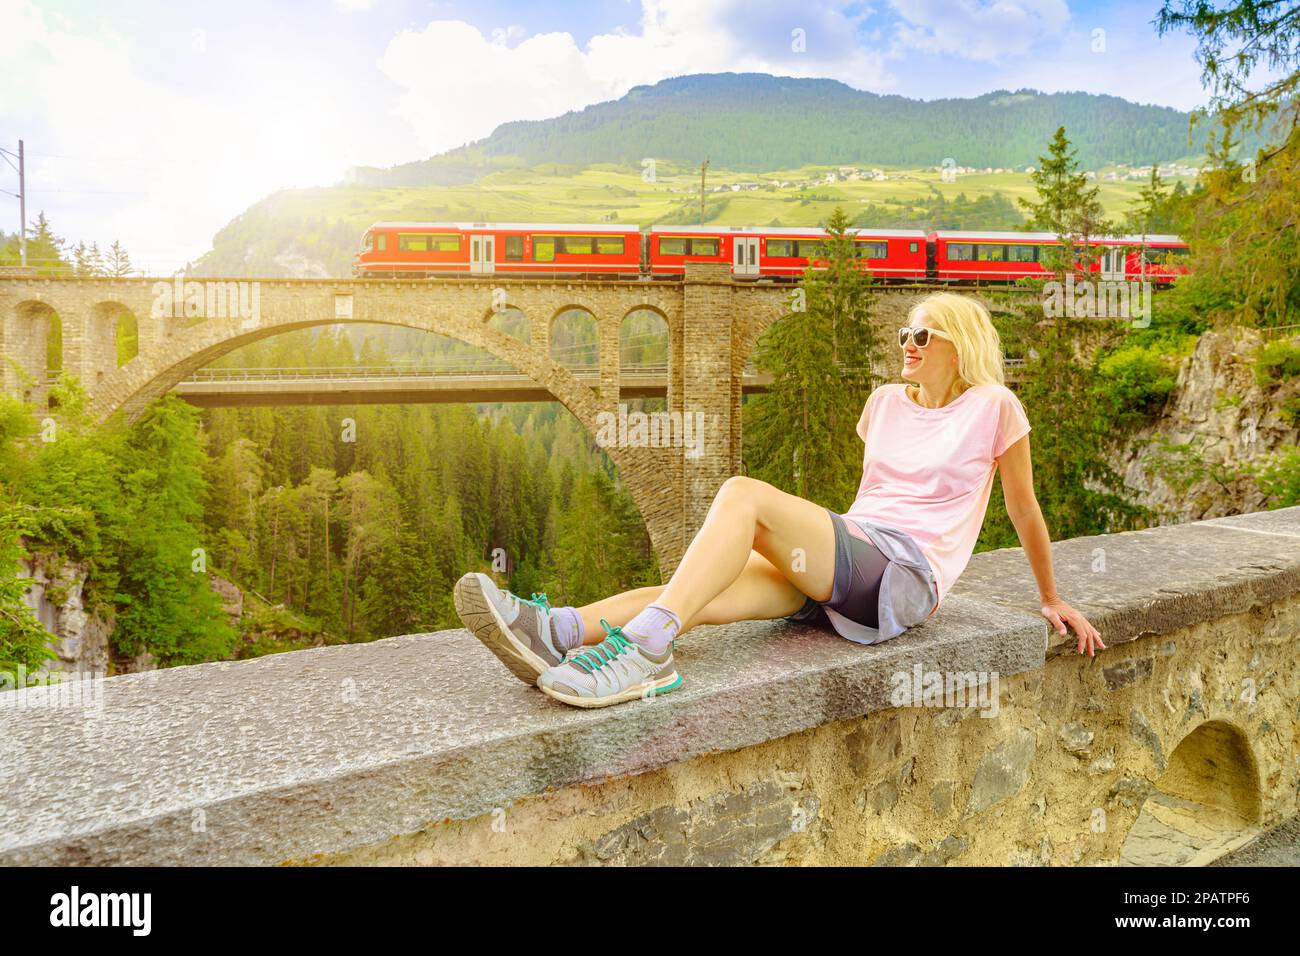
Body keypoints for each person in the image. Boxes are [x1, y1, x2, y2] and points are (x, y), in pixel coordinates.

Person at [454, 291, 1105, 709]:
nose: (908, 346)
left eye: (923, 337)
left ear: (961, 346)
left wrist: (1049, 597)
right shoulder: (882, 404)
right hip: (853, 560)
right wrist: (811, 556)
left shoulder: (995, 407)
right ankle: (557, 631)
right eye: (905, 335)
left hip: (902, 576)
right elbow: (874, 497)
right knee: (704, 590)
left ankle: (646, 655)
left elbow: (1024, 509)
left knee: (743, 495)